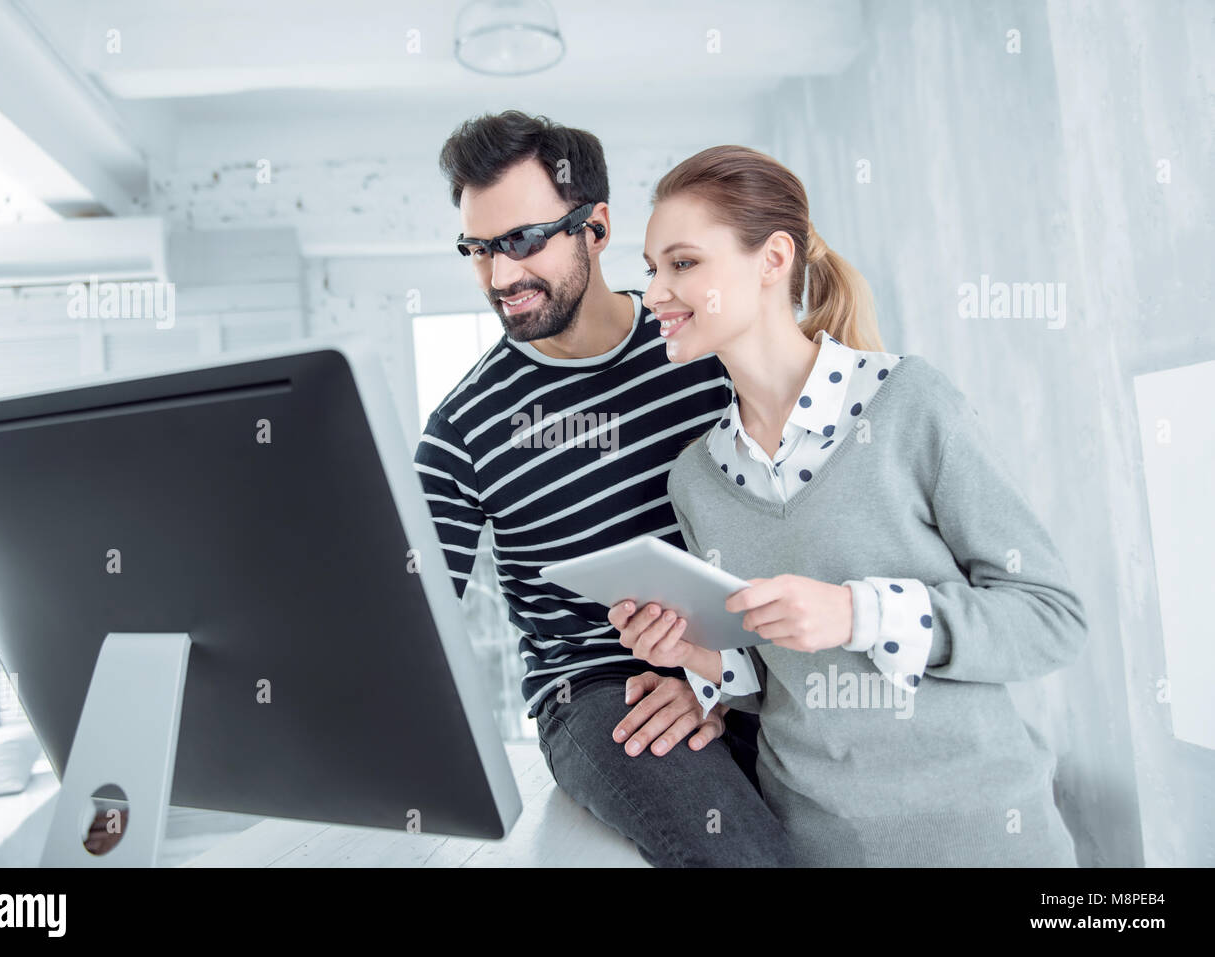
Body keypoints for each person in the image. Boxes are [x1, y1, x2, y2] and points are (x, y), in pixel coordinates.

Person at [613, 144, 1087, 866]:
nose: (653, 294)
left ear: (773, 260)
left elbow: (1052, 618)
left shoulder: (910, 404)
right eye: (651, 270)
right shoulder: (697, 478)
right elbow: (774, 684)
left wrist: (859, 612)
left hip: (988, 838)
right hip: (819, 847)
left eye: (682, 264)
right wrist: (701, 659)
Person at [413, 112, 793, 866]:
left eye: (522, 240)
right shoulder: (464, 425)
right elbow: (406, 615)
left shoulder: (698, 344)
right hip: (597, 687)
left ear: (596, 226)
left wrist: (714, 680)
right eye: (478, 249)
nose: (500, 277)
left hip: (750, 651)